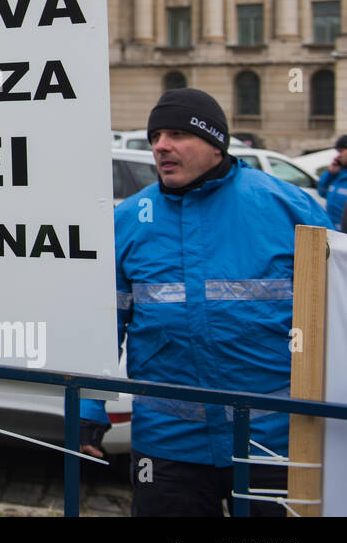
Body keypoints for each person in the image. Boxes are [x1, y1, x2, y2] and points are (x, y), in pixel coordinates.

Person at [81, 88, 331, 516]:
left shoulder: (288, 206)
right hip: (167, 443)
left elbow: (336, 312)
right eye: (156, 135)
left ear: (216, 143)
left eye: (177, 133)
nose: (161, 145)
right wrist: (89, 409)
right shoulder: (128, 221)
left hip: (274, 438)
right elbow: (104, 325)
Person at [316, 134, 347, 231]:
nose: (338, 156)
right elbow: (322, 192)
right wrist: (330, 174)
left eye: (341, 151)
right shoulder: (337, 175)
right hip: (333, 231)